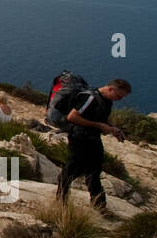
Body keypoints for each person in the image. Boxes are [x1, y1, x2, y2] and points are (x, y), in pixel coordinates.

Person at [54, 80, 131, 211]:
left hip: (93, 138)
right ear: (111, 89)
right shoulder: (90, 98)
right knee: (72, 169)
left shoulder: (106, 101)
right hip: (79, 138)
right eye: (119, 96)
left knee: (95, 170)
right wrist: (99, 126)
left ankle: (99, 206)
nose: (119, 99)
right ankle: (61, 200)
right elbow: (72, 117)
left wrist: (112, 128)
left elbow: (101, 117)